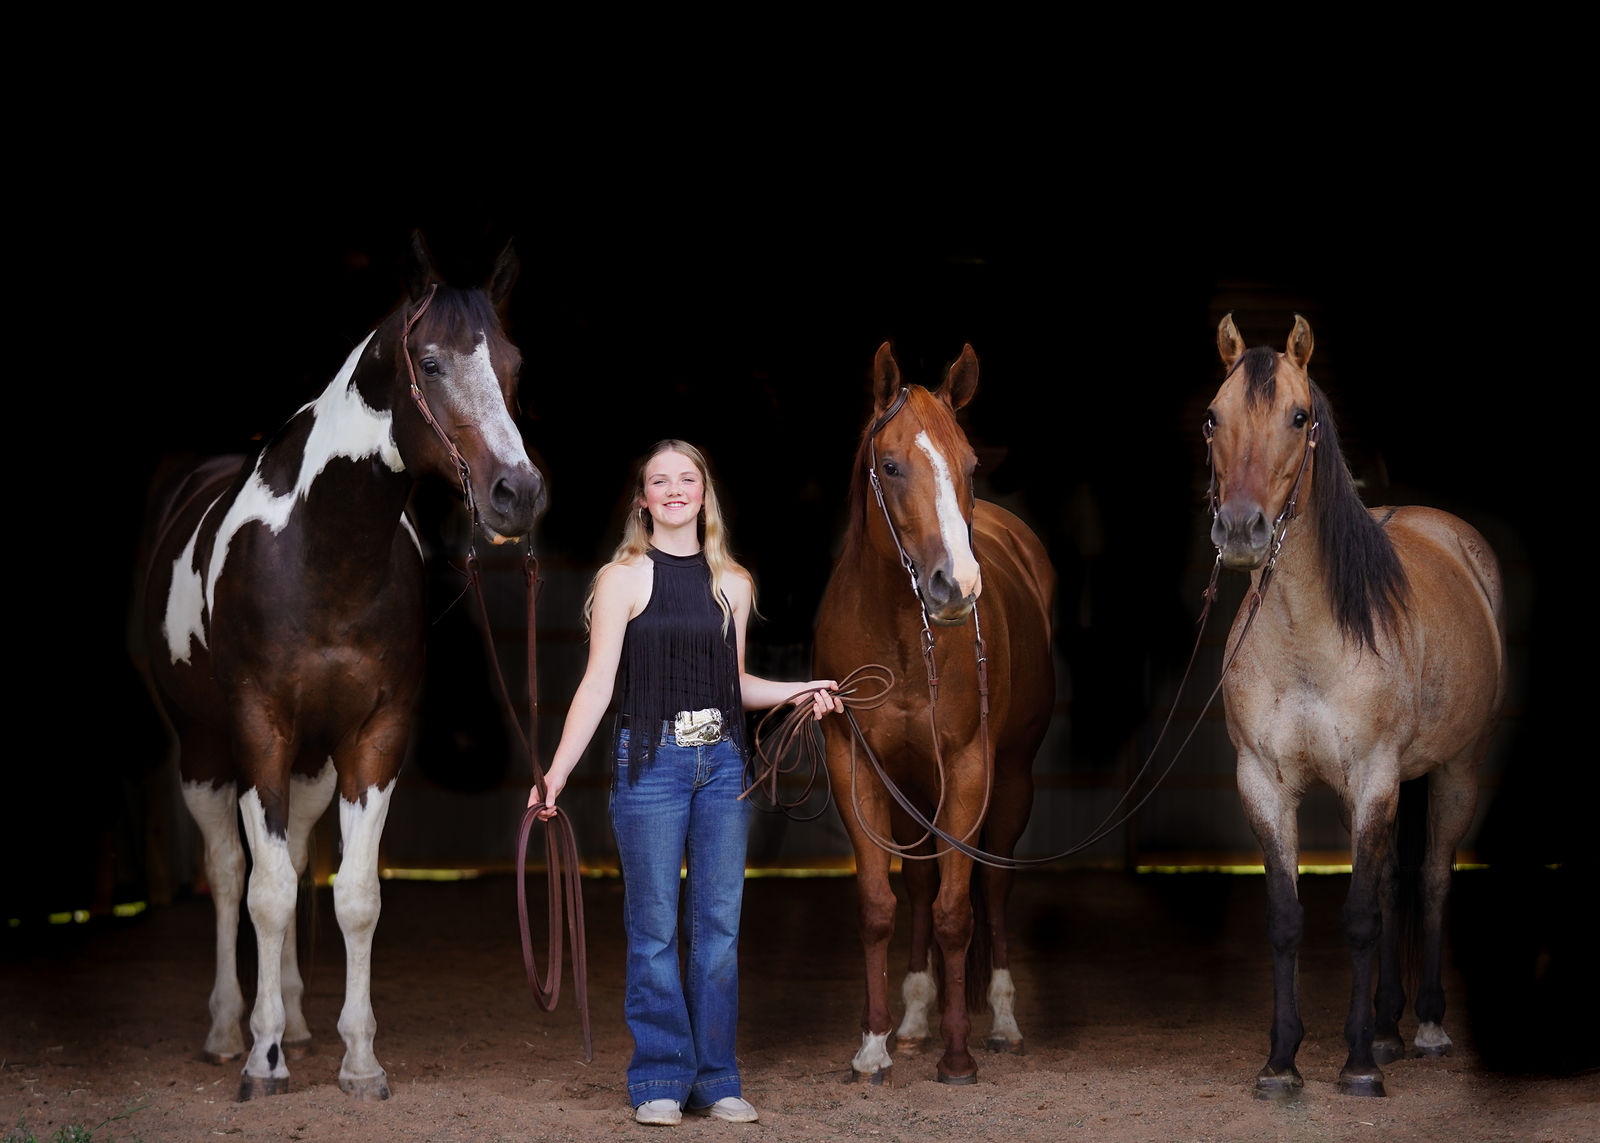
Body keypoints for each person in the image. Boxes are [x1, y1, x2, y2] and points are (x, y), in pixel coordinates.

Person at [529, 439, 840, 1126]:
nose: (674, 490)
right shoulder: (623, 579)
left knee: (719, 928)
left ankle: (716, 1075)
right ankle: (661, 1077)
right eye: (659, 481)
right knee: (653, 929)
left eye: (687, 479)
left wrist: (801, 689)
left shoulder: (734, 582)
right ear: (642, 499)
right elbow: (598, 684)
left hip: (723, 762)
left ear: (704, 492)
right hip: (651, 765)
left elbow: (735, 685)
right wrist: (554, 773)